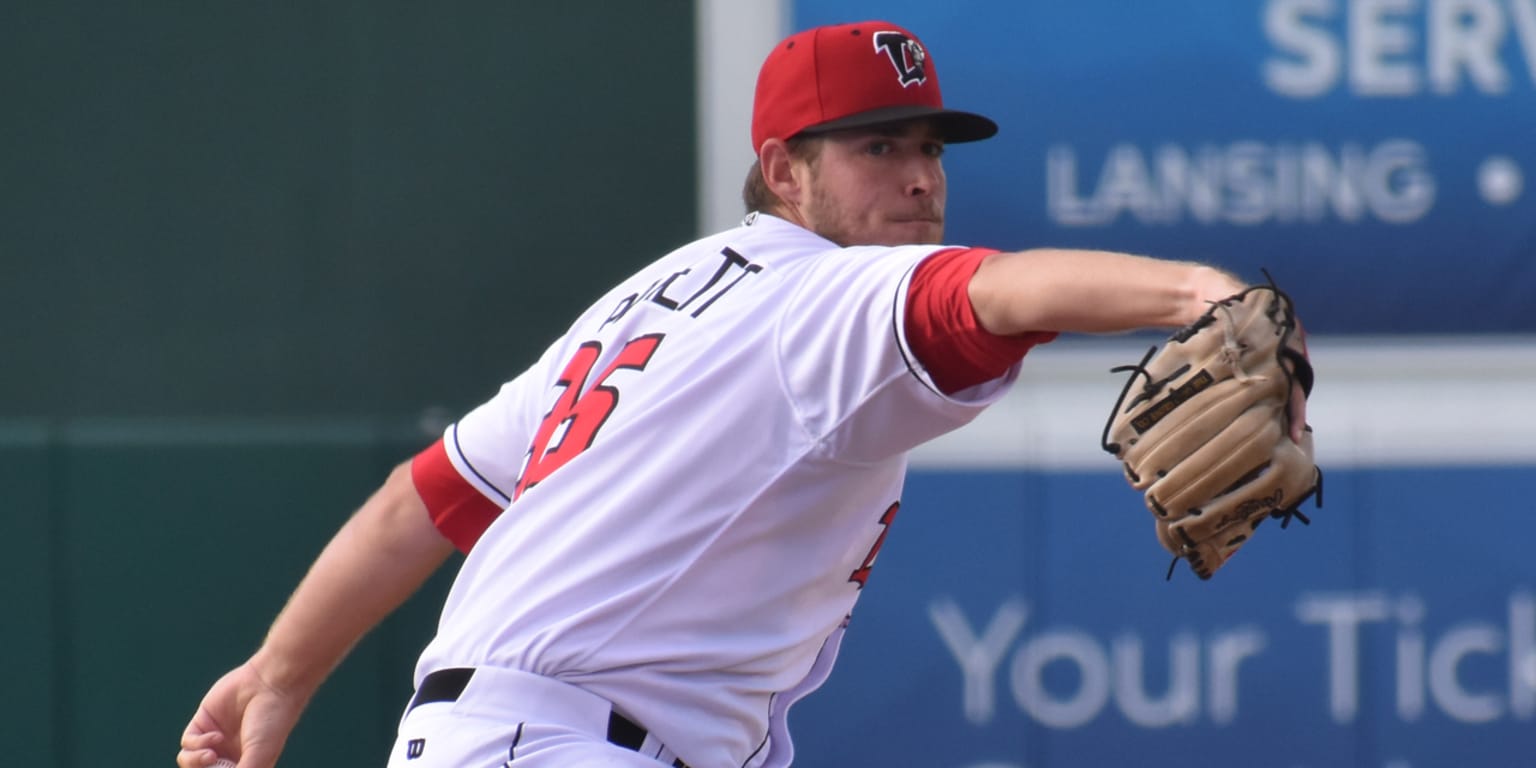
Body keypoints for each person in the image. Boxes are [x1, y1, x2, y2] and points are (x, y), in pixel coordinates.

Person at [177, 19, 1309, 768]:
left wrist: (279, 675)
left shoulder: (651, 299)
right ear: (784, 170)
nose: (919, 176)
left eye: (929, 148)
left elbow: (423, 500)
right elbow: (1002, 293)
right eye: (876, 148)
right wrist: (1202, 294)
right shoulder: (825, 296)